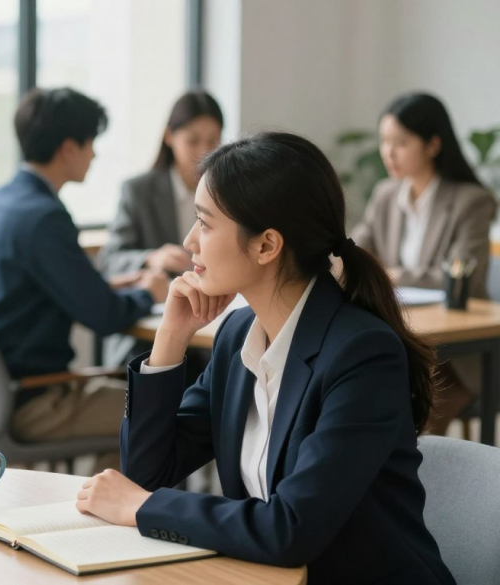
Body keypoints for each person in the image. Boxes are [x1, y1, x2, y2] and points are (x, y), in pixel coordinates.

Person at [76, 132, 454, 584]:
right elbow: (147, 471)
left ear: (266, 246)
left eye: (206, 222)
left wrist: (140, 507)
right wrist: (170, 340)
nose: (189, 240)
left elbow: (291, 528)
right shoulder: (237, 336)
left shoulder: (362, 355)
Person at [0, 88, 166, 465]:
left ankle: (97, 506)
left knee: (135, 407)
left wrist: (112, 286)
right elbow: (103, 318)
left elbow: (36, 291)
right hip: (35, 400)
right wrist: (150, 292)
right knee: (155, 409)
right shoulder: (44, 217)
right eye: (91, 144)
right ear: (69, 148)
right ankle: (105, 511)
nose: (95, 154)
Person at [352, 92, 496, 434]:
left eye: (400, 142)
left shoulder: (471, 201)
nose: (388, 152)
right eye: (384, 141)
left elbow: (465, 278)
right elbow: (352, 253)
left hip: (453, 356)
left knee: (412, 417)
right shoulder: (386, 194)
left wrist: (393, 275)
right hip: (397, 338)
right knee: (353, 400)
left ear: (433, 144)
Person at [98, 90, 223, 279]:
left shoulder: (228, 191)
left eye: (213, 141)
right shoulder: (138, 191)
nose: (204, 151)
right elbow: (109, 259)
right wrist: (150, 258)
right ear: (169, 136)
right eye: (192, 141)